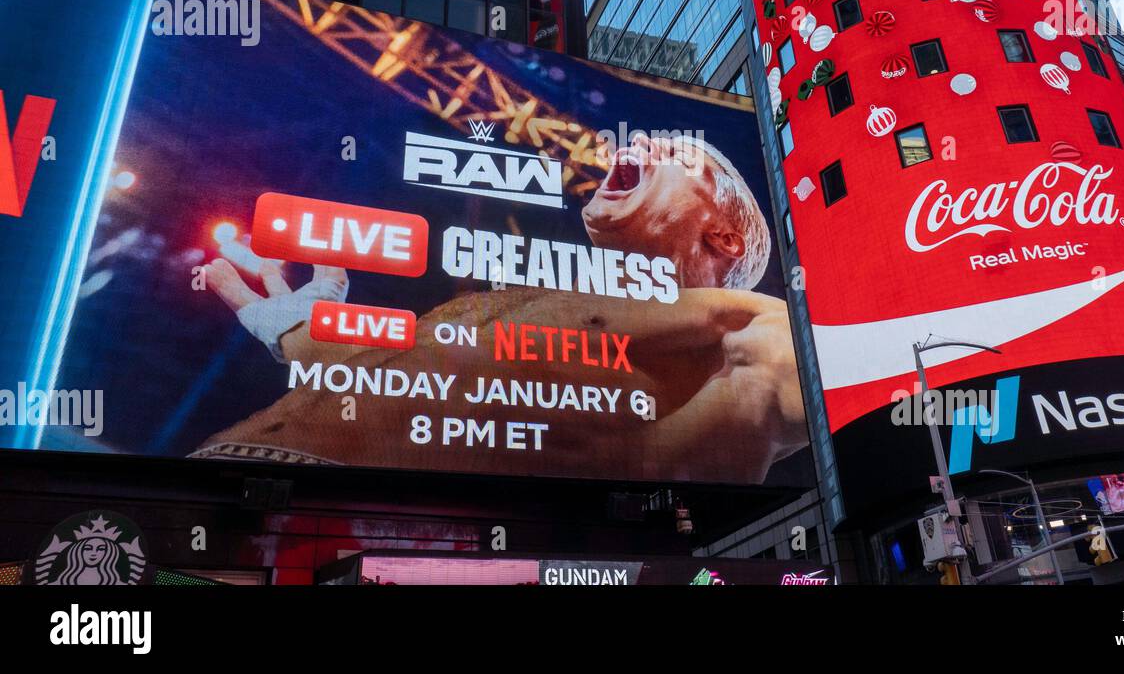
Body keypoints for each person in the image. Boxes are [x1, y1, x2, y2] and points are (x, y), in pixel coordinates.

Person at [193, 134, 807, 484]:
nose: (639, 142)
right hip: (212, 479)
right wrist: (294, 326)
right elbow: (385, 377)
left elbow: (814, 392)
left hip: (372, 541)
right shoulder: (524, 299)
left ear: (724, 238)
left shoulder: (749, 327)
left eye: (677, 156)